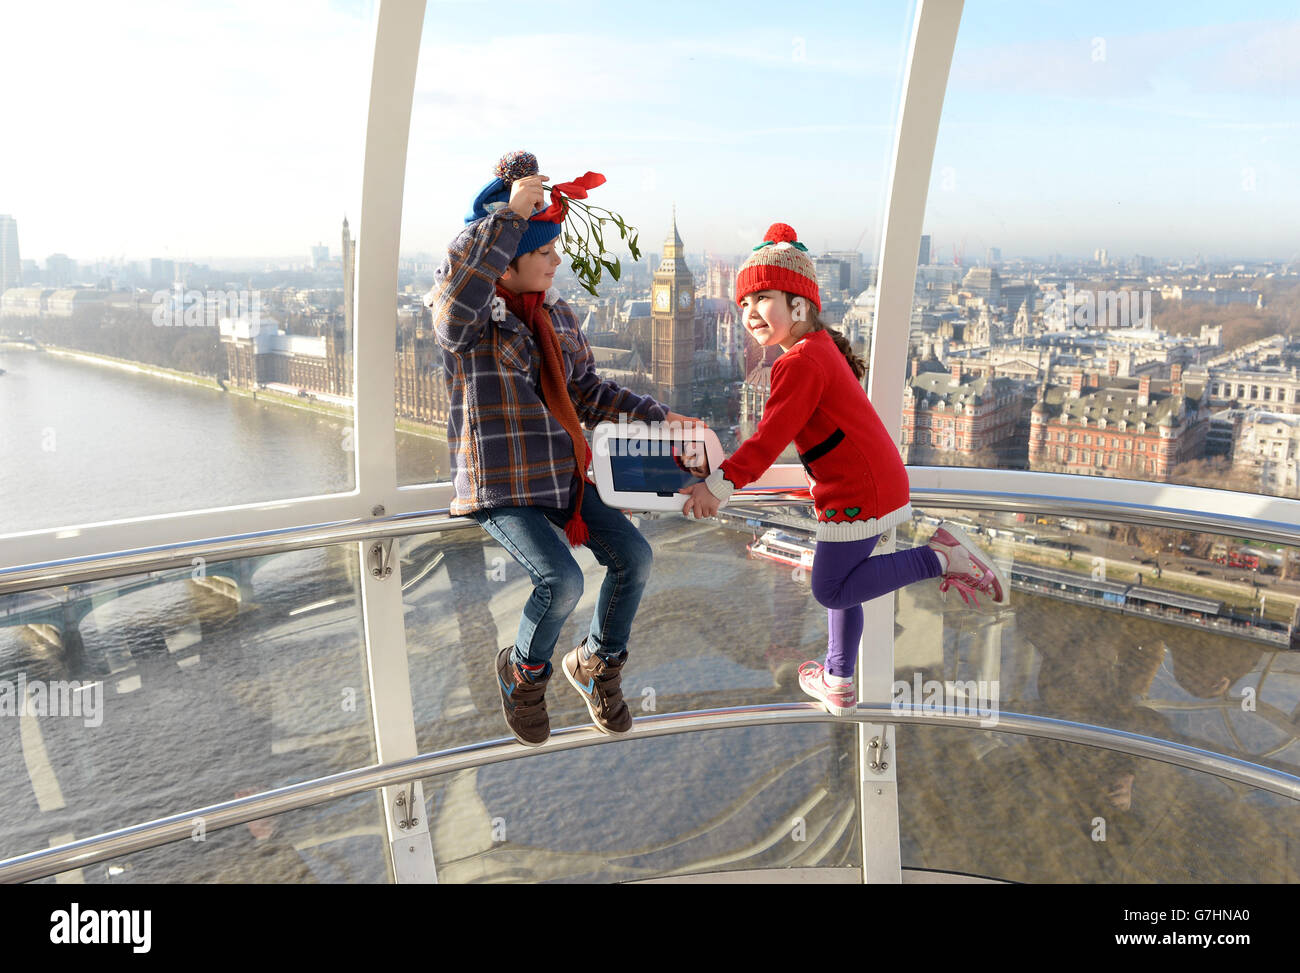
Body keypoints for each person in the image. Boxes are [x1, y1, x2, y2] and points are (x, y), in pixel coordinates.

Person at [678, 222, 1007, 716]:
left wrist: (717, 487)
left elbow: (768, 438)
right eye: (743, 304)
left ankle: (940, 557)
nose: (749, 314)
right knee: (844, 588)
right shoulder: (818, 349)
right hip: (869, 484)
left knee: (830, 587)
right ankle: (838, 679)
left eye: (762, 298)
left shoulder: (798, 363)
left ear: (799, 304)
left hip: (857, 492)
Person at [426, 151, 696, 747]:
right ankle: (523, 672)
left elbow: (586, 392)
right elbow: (454, 298)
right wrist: (507, 218)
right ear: (506, 259)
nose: (557, 261)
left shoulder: (558, 316)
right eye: (543, 252)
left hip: (562, 478)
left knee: (636, 557)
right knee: (562, 581)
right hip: (502, 484)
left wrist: (658, 417)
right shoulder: (472, 325)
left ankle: (595, 663)